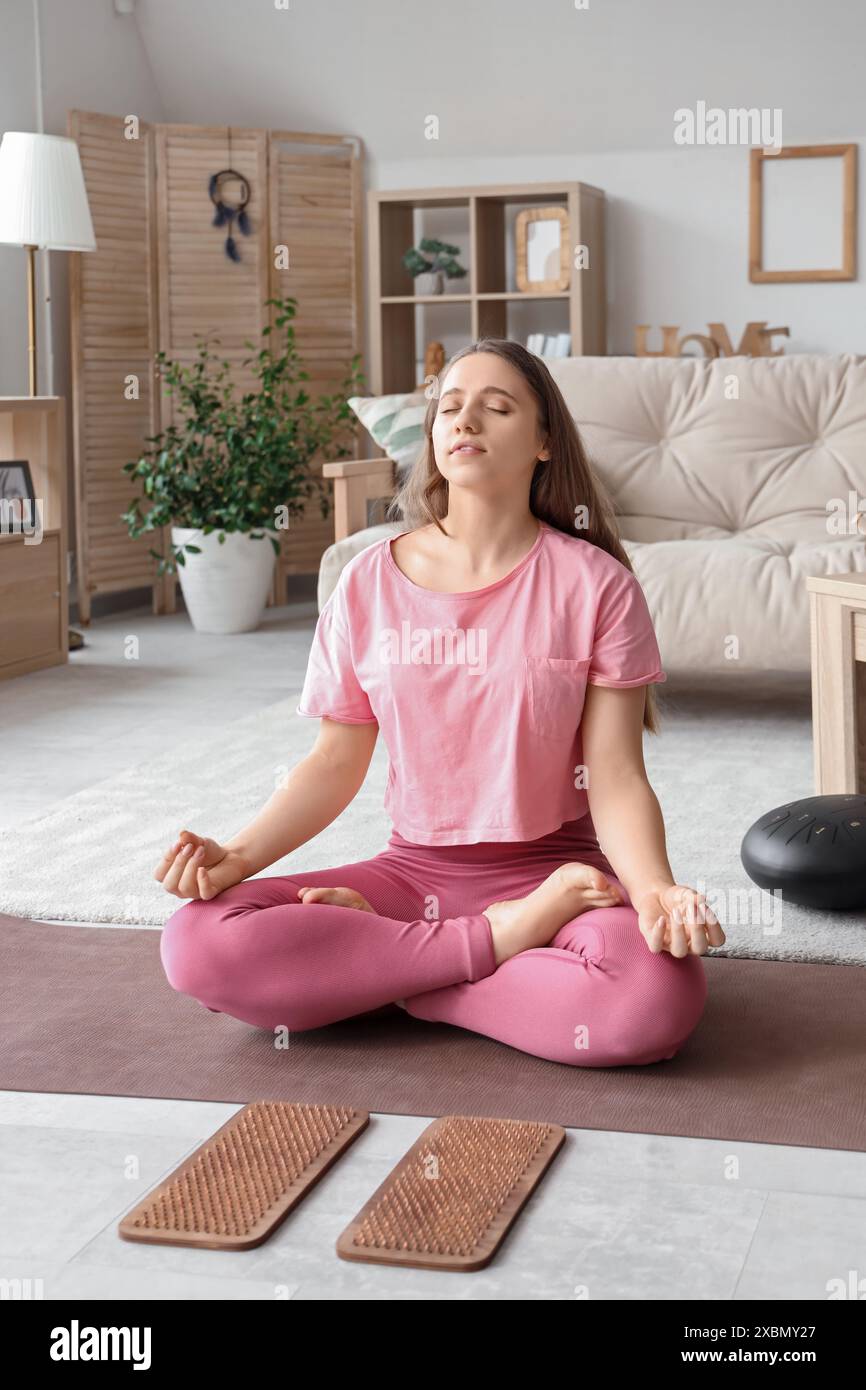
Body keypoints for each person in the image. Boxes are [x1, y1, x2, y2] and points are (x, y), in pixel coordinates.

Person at [157, 338, 724, 1067]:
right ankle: (485, 948)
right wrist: (235, 855)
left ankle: (394, 977)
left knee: (651, 1004)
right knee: (199, 942)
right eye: (450, 408)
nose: (467, 422)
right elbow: (334, 762)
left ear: (545, 440)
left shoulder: (596, 584)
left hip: (556, 876)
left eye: (497, 407)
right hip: (412, 874)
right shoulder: (366, 583)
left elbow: (614, 773)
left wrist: (653, 890)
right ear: (432, 436)